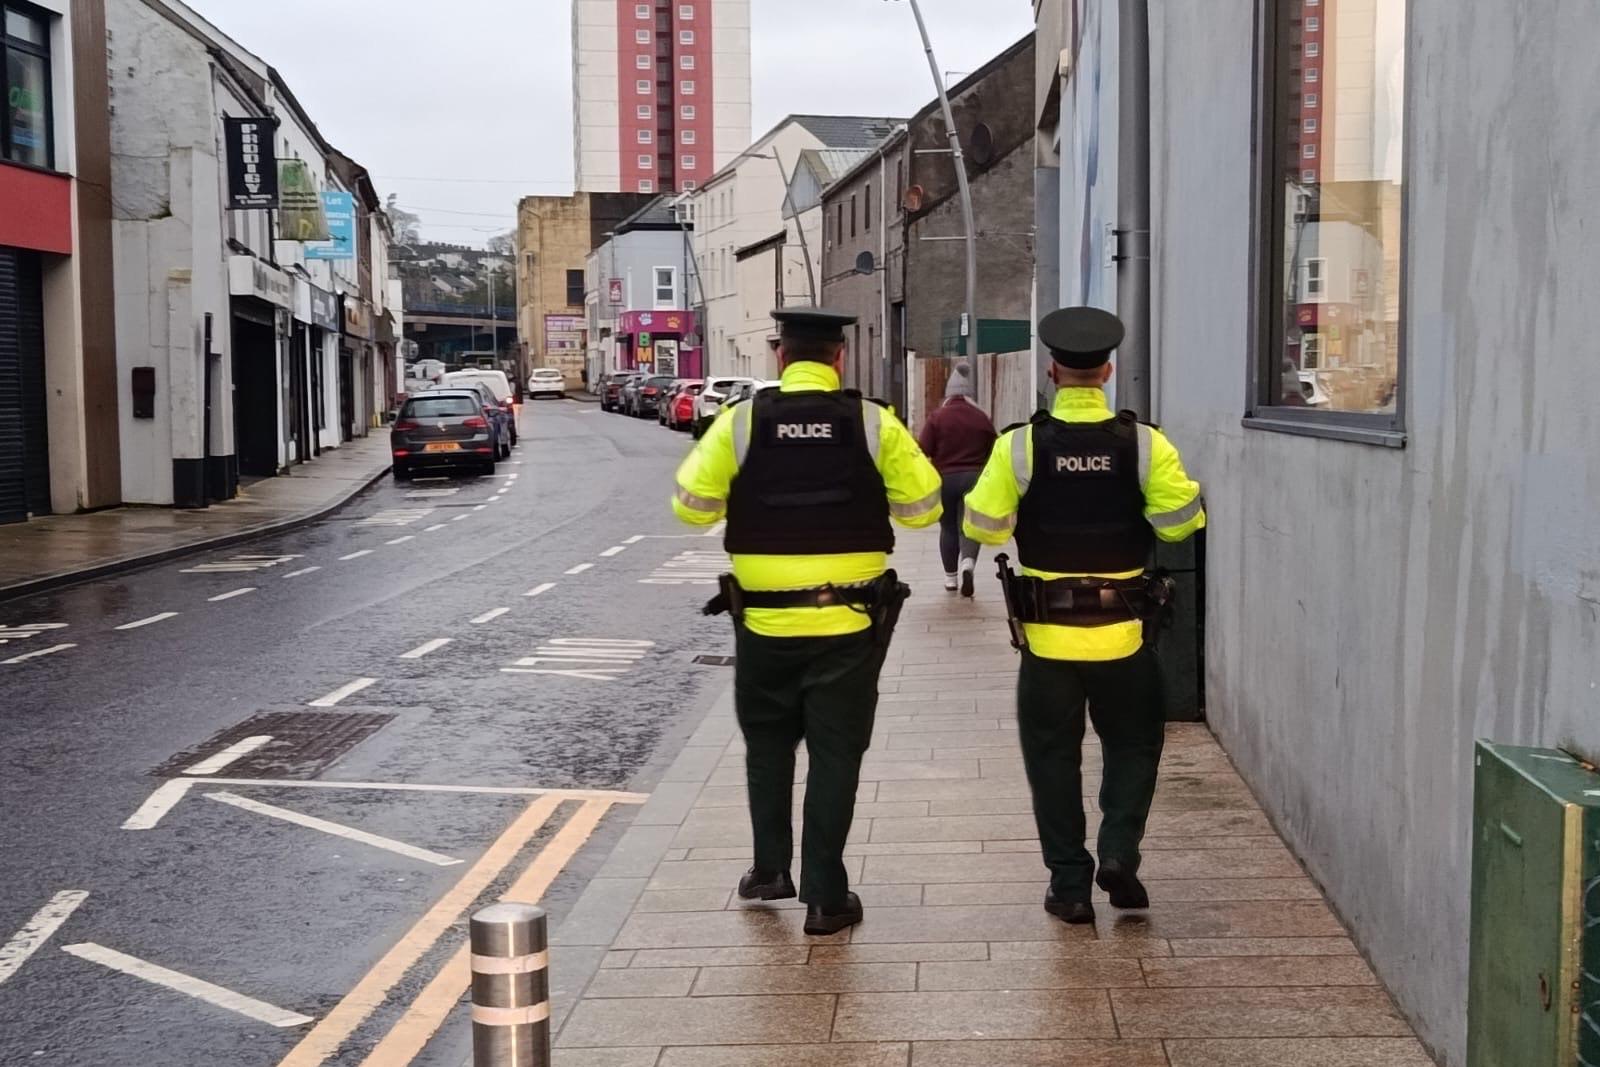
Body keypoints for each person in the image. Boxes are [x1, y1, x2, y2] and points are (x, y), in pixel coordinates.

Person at [671, 308, 943, 934]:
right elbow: (924, 510)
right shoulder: (874, 423)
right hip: (850, 625)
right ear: (839, 358)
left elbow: (691, 507)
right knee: (836, 753)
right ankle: (825, 895)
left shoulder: (741, 423)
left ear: (780, 358)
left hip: (764, 626)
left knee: (767, 746)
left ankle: (770, 870)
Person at [963, 306, 1206, 925]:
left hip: (1047, 643)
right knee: (1133, 746)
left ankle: (1070, 886)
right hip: (1124, 638)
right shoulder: (1144, 443)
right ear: (1108, 371)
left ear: (1052, 371)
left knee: (1052, 759)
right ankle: (1119, 851)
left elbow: (981, 525)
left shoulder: (1020, 444)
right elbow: (1181, 523)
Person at [917, 362, 997, 597]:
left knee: (948, 528)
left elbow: (923, 449)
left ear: (948, 394)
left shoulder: (937, 417)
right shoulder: (982, 418)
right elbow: (994, 449)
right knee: (969, 527)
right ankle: (968, 564)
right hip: (974, 478)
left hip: (945, 479)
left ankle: (950, 579)